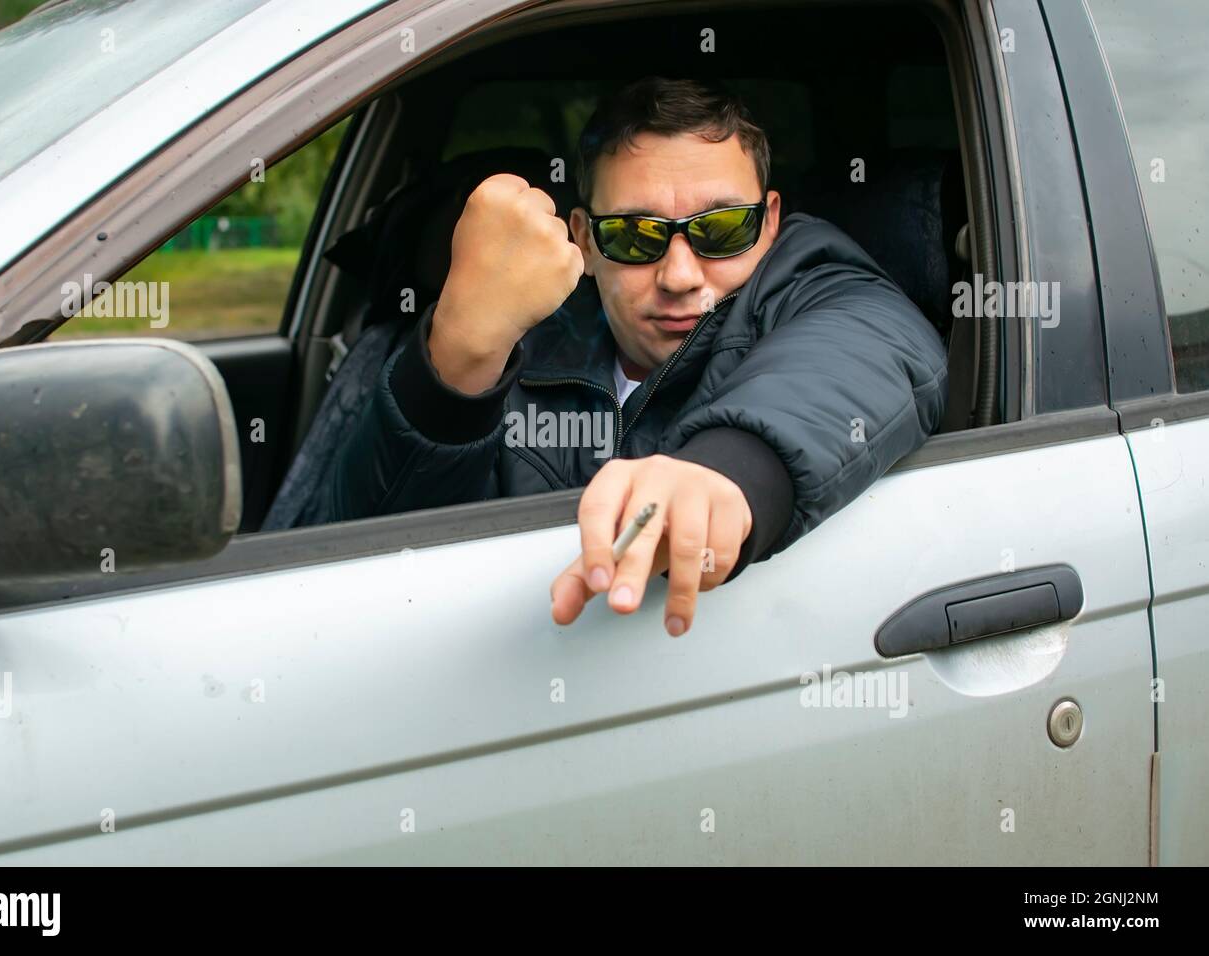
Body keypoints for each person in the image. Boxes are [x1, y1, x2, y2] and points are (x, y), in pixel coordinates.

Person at [327, 76, 948, 636]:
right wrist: (460, 351)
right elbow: (362, 567)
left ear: (767, 223)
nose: (679, 275)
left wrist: (725, 470)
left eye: (722, 228)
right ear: (584, 240)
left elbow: (872, 337)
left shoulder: (814, 284)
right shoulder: (518, 337)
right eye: (633, 235)